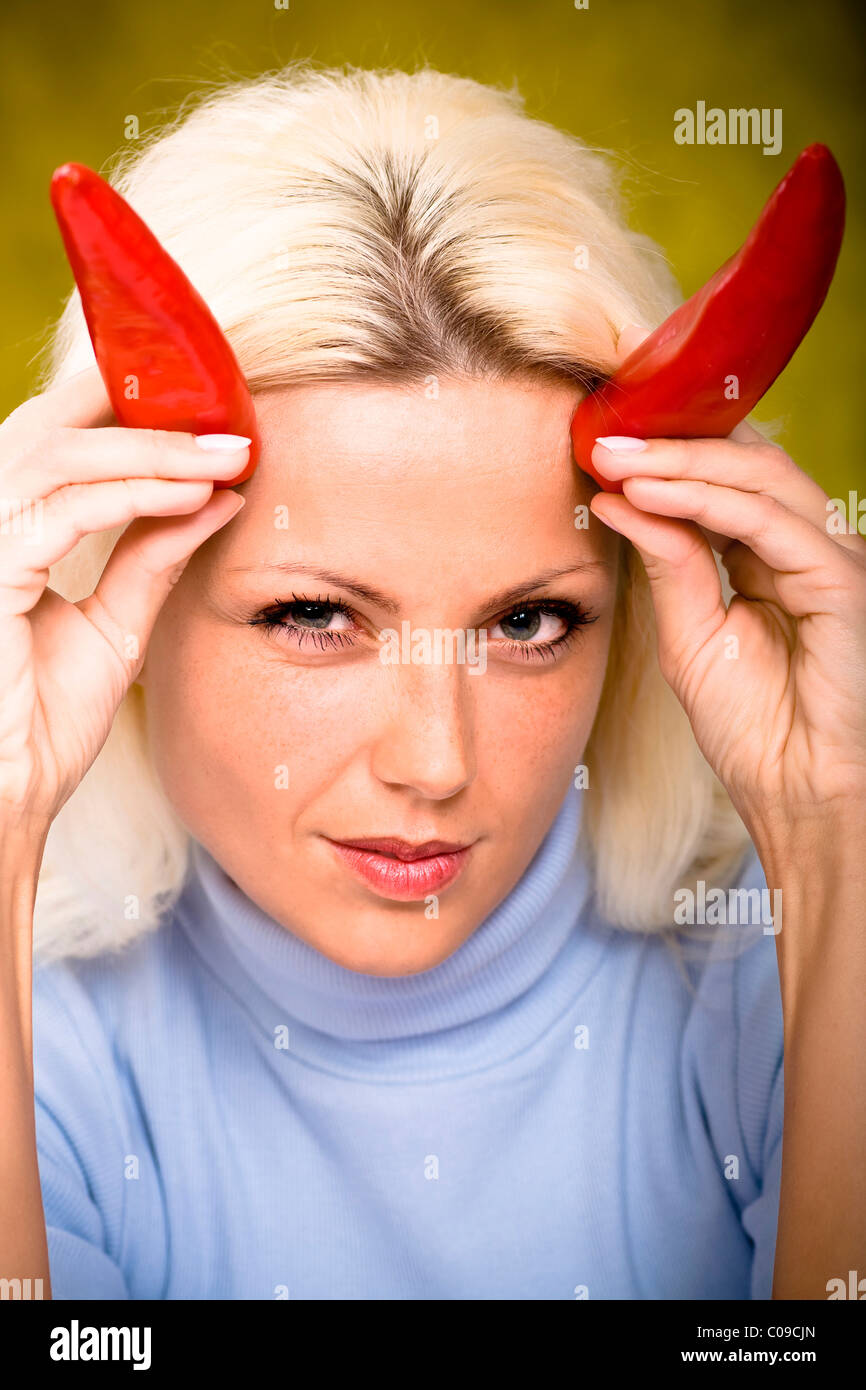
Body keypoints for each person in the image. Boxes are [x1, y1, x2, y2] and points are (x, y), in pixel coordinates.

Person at [1, 62, 863, 1301]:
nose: (435, 761)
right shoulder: (40, 1043)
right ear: (117, 591)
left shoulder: (777, 976)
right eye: (312, 615)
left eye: (528, 619)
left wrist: (834, 831)